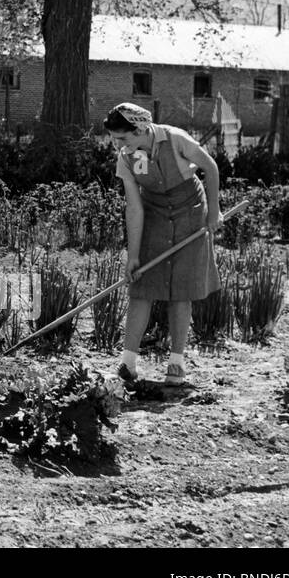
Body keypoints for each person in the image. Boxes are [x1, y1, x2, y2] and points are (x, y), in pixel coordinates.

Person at [105, 102, 222, 387]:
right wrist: (134, 256)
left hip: (190, 211)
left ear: (141, 128)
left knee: (181, 288)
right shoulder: (127, 157)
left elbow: (210, 167)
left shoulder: (175, 138)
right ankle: (128, 364)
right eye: (115, 139)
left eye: (124, 138)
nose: (119, 144)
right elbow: (134, 207)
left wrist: (213, 210)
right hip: (154, 211)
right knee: (141, 285)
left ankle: (176, 364)